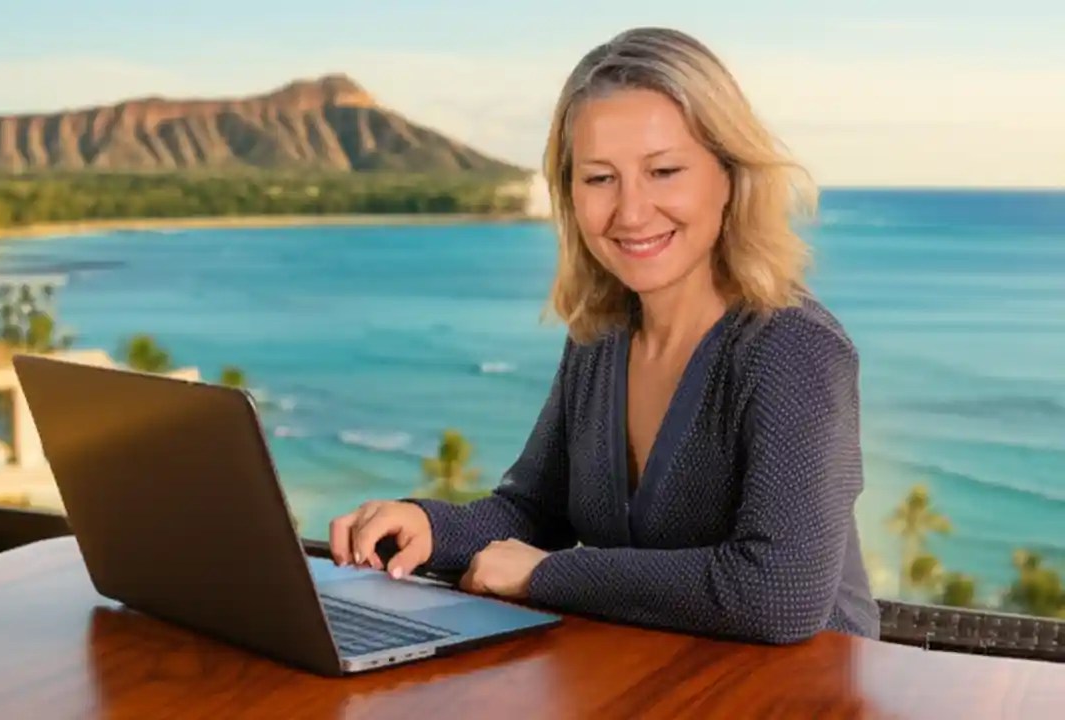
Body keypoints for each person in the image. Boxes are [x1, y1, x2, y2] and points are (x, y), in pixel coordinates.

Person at [328, 26, 881, 644]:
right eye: (599, 179)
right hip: (647, 682)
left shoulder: (793, 350)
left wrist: (546, 575)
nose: (631, 212)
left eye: (664, 171)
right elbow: (536, 510)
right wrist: (429, 527)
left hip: (798, 696)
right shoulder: (601, 336)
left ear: (729, 176)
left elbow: (776, 593)